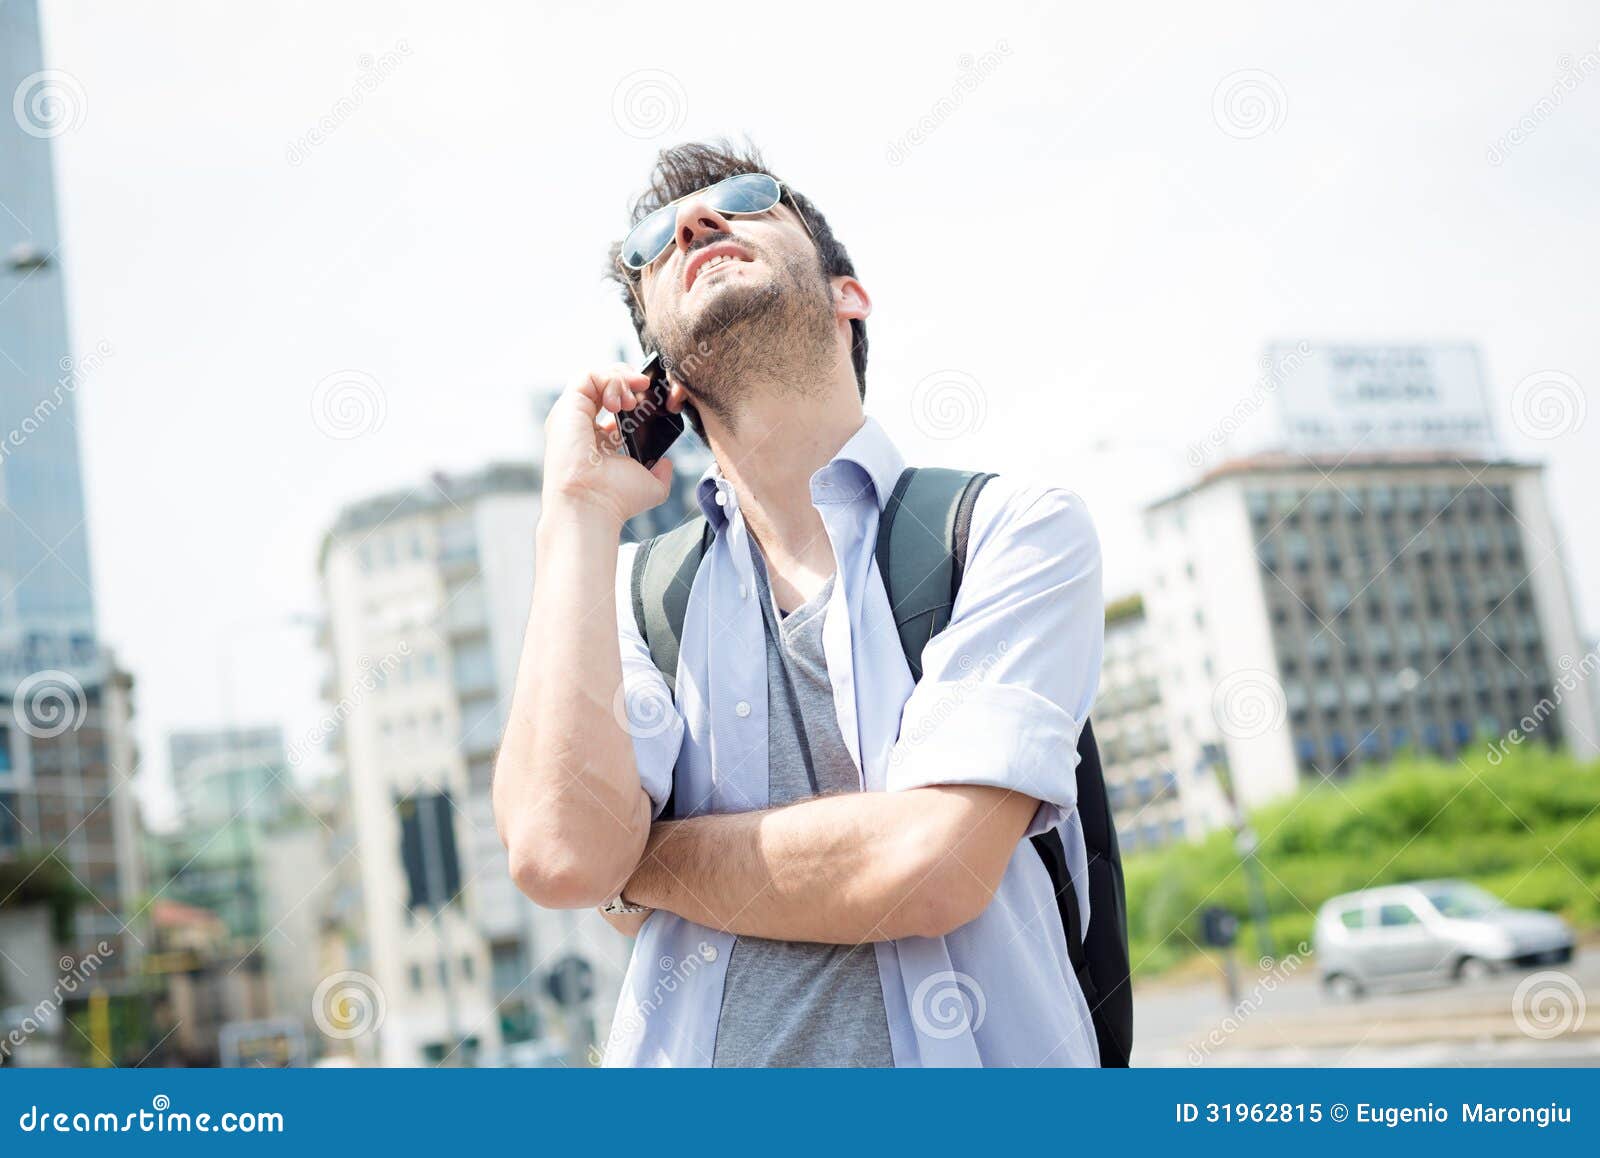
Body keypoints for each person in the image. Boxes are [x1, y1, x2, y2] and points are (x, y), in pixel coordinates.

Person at [492, 140, 1104, 1067]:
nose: (696, 224)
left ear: (846, 295)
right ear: (662, 377)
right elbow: (562, 855)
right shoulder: (633, 595)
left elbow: (931, 868)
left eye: (747, 200)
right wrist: (575, 510)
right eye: (656, 242)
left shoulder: (1009, 531)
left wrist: (642, 861)